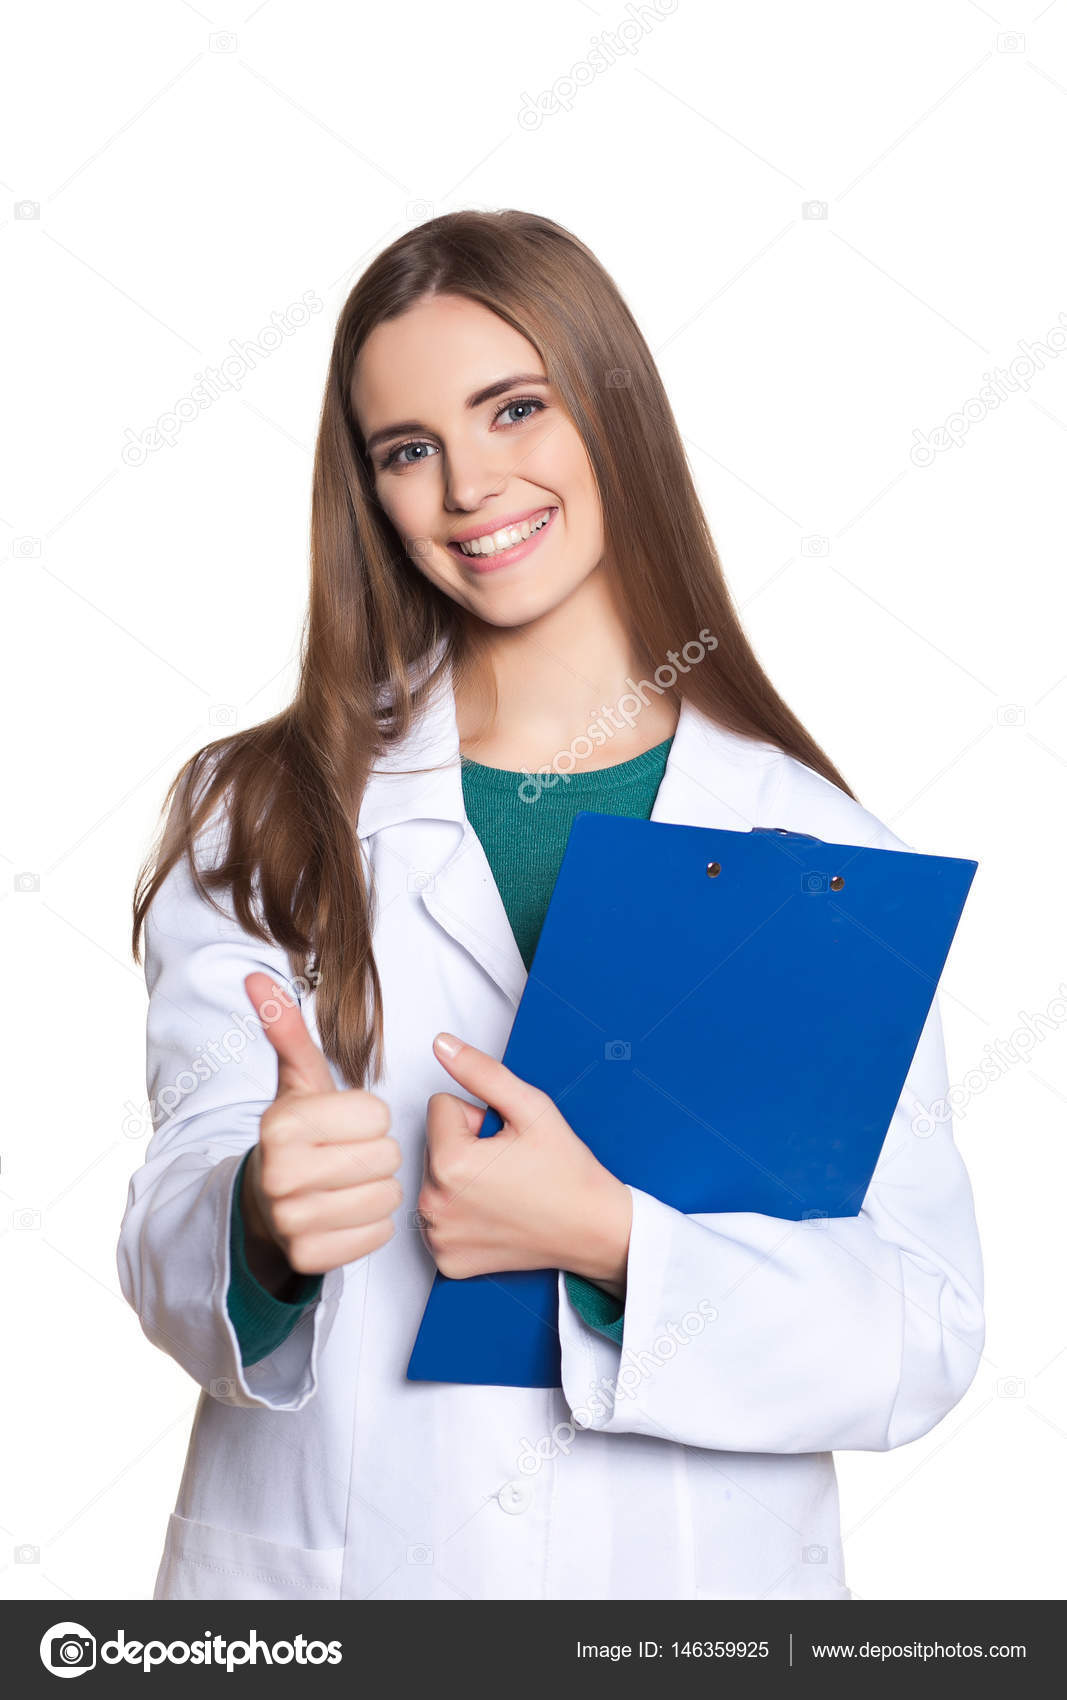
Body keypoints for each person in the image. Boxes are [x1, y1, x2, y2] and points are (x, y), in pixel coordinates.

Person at [118, 209, 985, 1602]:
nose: (469, 486)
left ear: (612, 410)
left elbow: (920, 1330)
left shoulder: (821, 851)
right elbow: (178, 1214)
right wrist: (258, 1224)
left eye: (514, 408)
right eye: (408, 449)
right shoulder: (268, 810)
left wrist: (614, 1243)